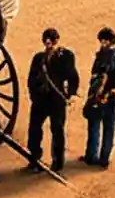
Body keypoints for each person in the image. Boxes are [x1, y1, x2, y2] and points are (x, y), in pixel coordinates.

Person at [26, 28, 80, 173]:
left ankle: (58, 162)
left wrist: (70, 94)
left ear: (56, 40)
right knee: (34, 129)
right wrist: (33, 95)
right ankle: (34, 158)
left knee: (57, 130)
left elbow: (73, 76)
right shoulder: (38, 58)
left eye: (51, 40)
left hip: (56, 100)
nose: (48, 43)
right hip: (40, 101)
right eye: (46, 40)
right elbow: (31, 79)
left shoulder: (65, 57)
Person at [82, 27, 115, 169]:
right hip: (113, 95)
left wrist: (96, 95)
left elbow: (100, 78)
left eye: (104, 40)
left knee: (95, 126)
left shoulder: (103, 56)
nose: (102, 43)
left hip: (102, 96)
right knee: (109, 127)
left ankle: (92, 156)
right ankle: (104, 158)